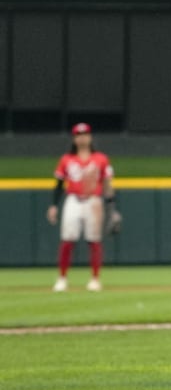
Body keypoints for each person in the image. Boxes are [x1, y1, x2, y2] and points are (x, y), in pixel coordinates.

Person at [46, 123, 117, 293]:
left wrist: (112, 207)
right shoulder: (66, 159)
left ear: (90, 137)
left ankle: (95, 279)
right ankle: (62, 278)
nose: (82, 137)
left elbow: (107, 184)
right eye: (79, 135)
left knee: (94, 240)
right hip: (73, 199)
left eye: (85, 134)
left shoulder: (101, 158)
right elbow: (59, 184)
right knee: (67, 240)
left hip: (93, 200)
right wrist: (54, 205)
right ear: (74, 138)